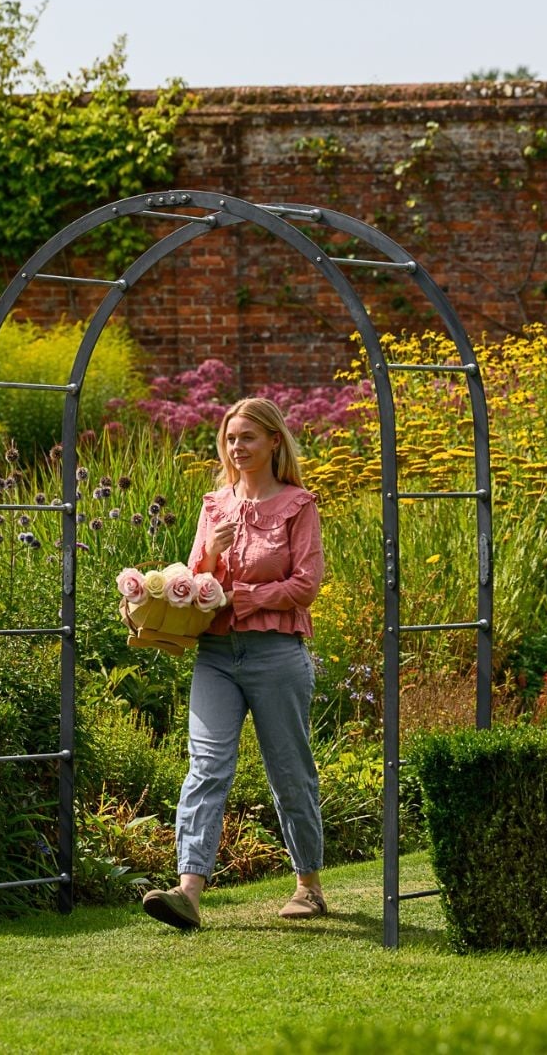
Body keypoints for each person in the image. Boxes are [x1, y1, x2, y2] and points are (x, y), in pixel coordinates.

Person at [141, 396, 327, 930]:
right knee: (206, 766)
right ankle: (189, 892)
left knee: (289, 771)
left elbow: (306, 585)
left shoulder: (298, 504)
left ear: (273, 441)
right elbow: (195, 582)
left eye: (247, 437)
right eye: (229, 438)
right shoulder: (213, 505)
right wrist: (210, 555)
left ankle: (308, 886)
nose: (237, 447)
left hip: (276, 654)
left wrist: (246, 596)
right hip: (216, 655)